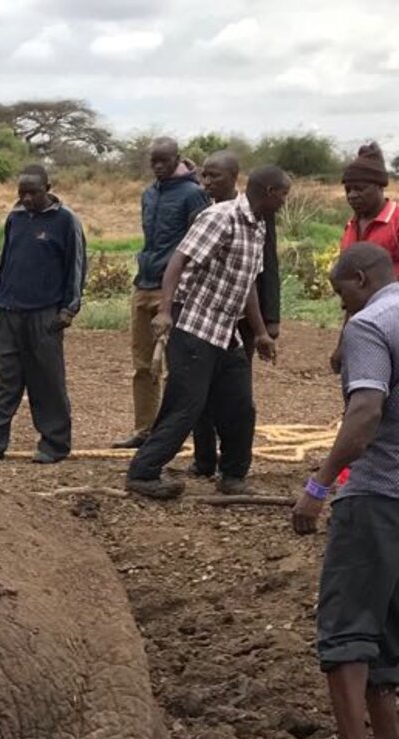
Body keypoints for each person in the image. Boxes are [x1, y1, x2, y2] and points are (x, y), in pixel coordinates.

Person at [291, 242, 399, 739]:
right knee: (384, 626)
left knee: (345, 629)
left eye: (342, 294)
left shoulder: (370, 326)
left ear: (360, 278)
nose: (342, 309)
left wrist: (318, 485)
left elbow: (365, 413)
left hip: (376, 496)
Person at [124, 165, 290, 499]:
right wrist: (166, 310)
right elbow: (178, 261)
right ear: (270, 192)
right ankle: (143, 473)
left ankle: (233, 476)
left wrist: (259, 333)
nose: (286, 202)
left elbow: (247, 284)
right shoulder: (220, 218)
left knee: (240, 406)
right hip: (193, 324)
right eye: (284, 195)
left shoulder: (257, 227)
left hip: (225, 330)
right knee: (185, 404)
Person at [0, 165, 85, 465]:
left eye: (33, 192)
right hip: (9, 312)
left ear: (48, 187)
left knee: (47, 381)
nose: (27, 199)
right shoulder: (15, 217)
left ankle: (54, 444)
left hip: (45, 314)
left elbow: (76, 265)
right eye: (22, 193)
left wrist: (69, 309)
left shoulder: (65, 220)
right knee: (1, 380)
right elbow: (5, 258)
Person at [190, 150, 280, 480]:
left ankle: (232, 463)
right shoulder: (203, 211)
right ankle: (203, 460)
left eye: (214, 176)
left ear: (234, 177)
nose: (207, 182)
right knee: (198, 391)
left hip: (244, 319)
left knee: (234, 391)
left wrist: (270, 321)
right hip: (205, 316)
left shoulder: (260, 213)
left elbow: (267, 266)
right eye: (204, 176)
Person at [120, 137, 208, 449]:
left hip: (174, 290)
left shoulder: (194, 195)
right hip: (143, 285)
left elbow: (198, 247)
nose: (158, 167)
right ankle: (144, 430)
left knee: (177, 366)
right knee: (142, 365)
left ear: (177, 159)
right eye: (153, 162)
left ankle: (173, 435)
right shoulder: (148, 194)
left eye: (164, 161)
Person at [330, 144, 399, 376]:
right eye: (348, 190)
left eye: (360, 189)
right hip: (363, 327)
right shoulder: (351, 227)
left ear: (380, 187)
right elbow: (352, 292)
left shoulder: (396, 221)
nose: (352, 196)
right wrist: (343, 342)